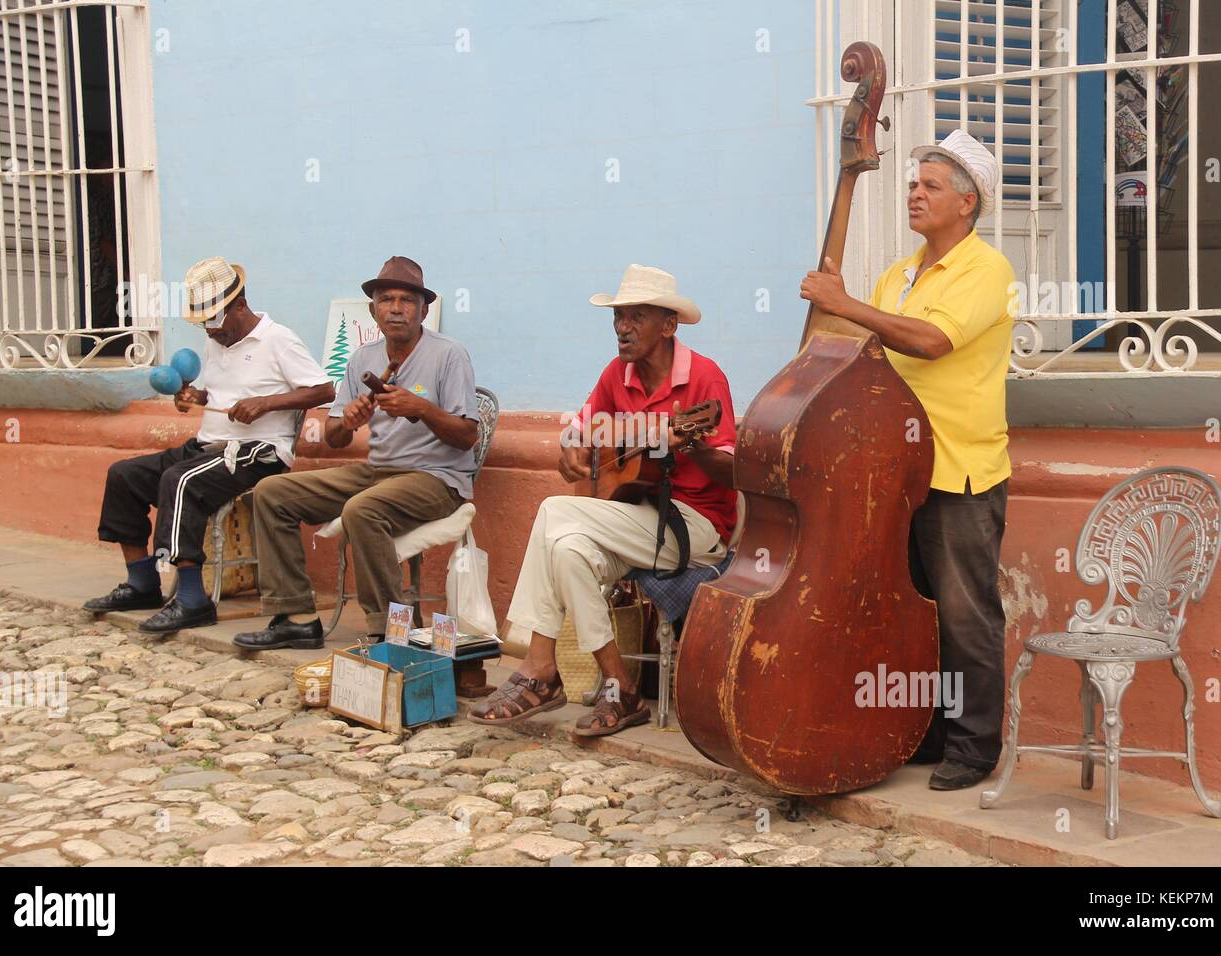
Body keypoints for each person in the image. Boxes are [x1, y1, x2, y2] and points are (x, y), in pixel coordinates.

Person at [799, 129, 1017, 791]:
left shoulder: (988, 270)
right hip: (895, 469)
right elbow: (868, 347)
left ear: (967, 203)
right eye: (913, 184)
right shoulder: (898, 274)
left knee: (964, 613)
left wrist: (847, 304)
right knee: (910, 609)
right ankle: (924, 734)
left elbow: (930, 341)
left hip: (959, 469)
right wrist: (834, 315)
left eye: (930, 186)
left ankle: (974, 747)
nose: (915, 194)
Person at [469, 264, 737, 736]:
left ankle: (539, 665)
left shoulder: (704, 377)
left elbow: (732, 470)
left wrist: (693, 447)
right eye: (618, 316)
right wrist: (573, 449)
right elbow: (580, 429)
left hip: (694, 527)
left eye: (636, 317)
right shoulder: (618, 374)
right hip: (635, 519)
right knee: (567, 551)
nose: (622, 327)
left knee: (553, 510)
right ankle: (621, 687)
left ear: (668, 325)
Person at [234, 256, 479, 650]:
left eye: (406, 300)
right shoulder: (364, 358)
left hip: (436, 479)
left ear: (423, 311)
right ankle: (295, 618)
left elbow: (468, 436)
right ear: (373, 310)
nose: (396, 309)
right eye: (386, 300)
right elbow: (334, 438)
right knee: (271, 493)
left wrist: (422, 409)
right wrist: (348, 421)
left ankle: (391, 630)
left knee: (362, 509)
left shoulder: (448, 354)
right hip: (378, 473)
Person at [86, 256, 335, 633]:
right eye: (202, 322)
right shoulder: (217, 341)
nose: (209, 329)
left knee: (179, 480)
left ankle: (192, 600)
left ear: (240, 306)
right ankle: (142, 583)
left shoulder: (278, 339)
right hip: (208, 447)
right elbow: (221, 393)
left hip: (257, 452)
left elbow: (324, 389)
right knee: (124, 475)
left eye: (214, 320)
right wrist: (197, 397)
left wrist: (266, 403)